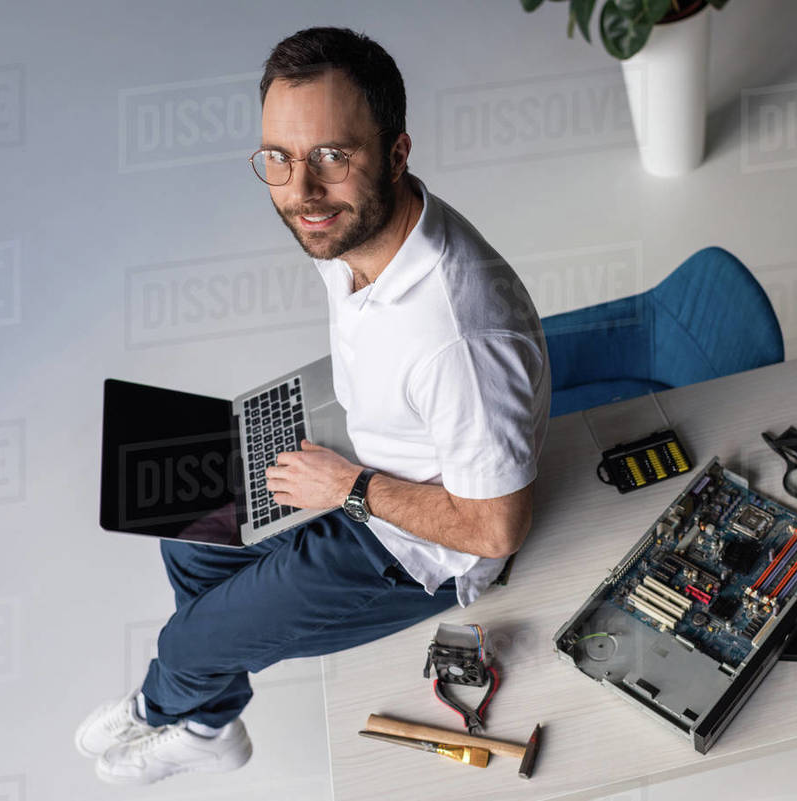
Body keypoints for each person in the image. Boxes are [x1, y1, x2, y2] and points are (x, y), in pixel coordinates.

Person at [75, 26, 550, 785]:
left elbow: (497, 528)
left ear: (396, 152)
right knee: (183, 530)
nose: (301, 192)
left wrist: (347, 489)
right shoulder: (361, 233)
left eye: (333, 155)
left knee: (192, 641)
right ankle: (210, 720)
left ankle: (172, 704)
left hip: (408, 549)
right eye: (280, 159)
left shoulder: (457, 332)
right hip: (359, 450)